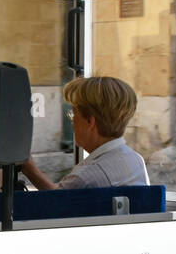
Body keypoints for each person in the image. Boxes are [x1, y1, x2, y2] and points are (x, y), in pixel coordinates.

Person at [20, 76, 149, 190]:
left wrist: (29, 169)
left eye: (74, 114)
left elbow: (56, 200)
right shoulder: (135, 160)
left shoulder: (87, 176)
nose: (72, 121)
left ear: (90, 122)